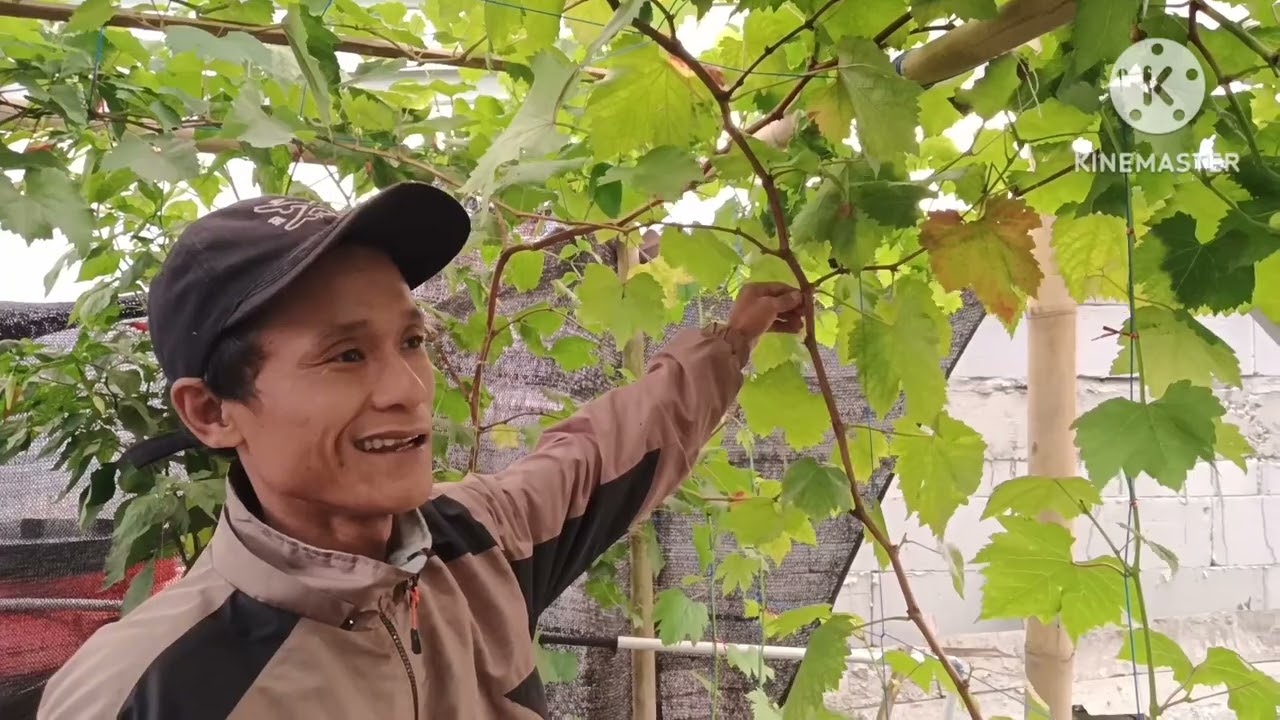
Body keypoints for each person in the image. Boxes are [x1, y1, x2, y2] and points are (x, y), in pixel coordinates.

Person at [37, 181, 805, 720]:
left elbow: (606, 446)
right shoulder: (143, 695)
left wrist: (729, 341)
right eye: (345, 356)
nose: (408, 388)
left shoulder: (475, 544)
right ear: (211, 412)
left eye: (412, 341)